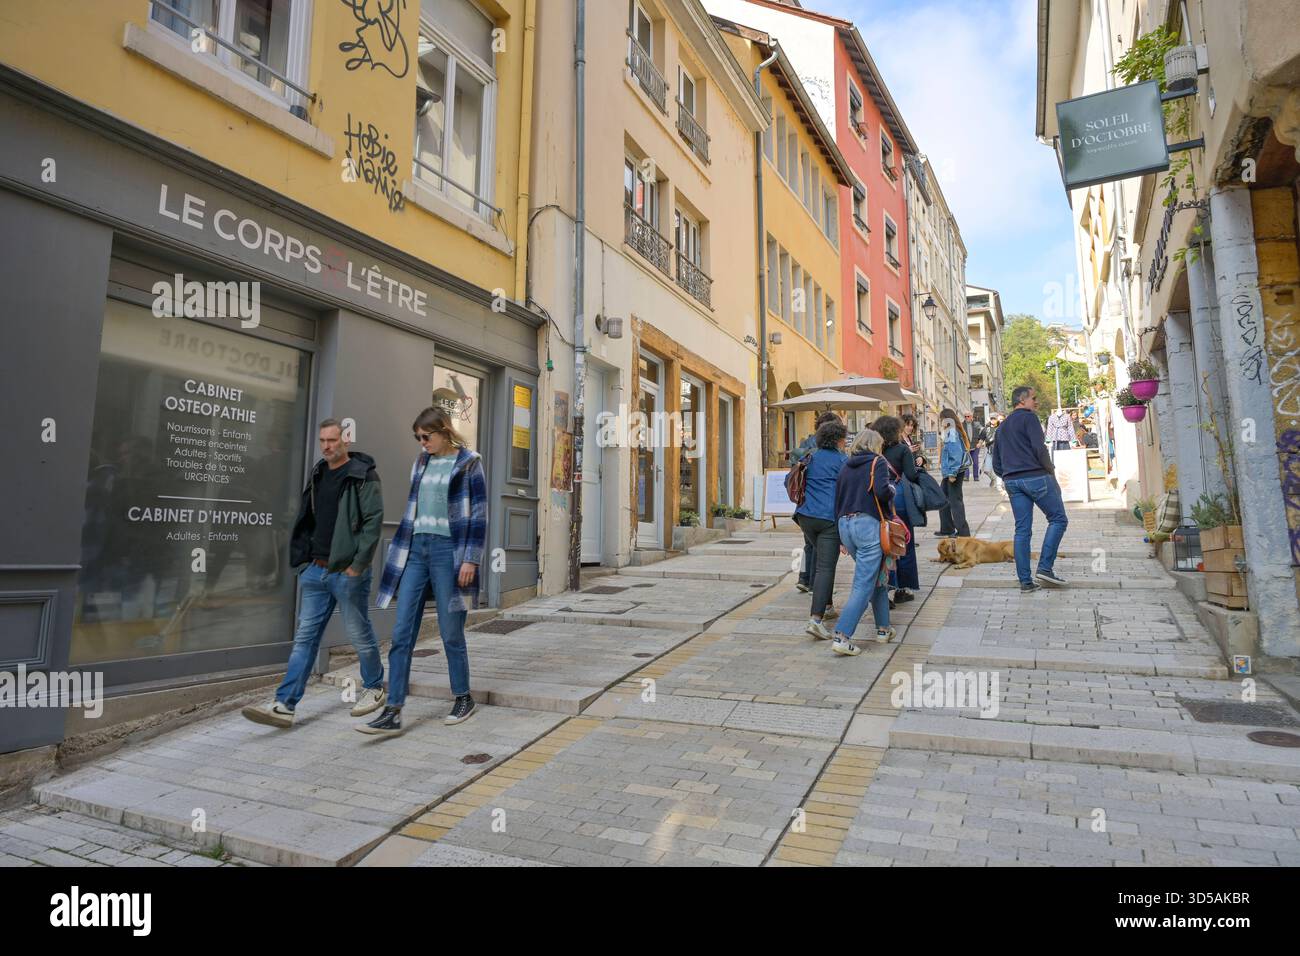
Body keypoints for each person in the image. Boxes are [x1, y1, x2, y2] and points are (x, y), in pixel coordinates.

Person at [243, 419, 386, 729]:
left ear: (344, 441)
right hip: (315, 572)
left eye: (332, 440)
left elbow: (373, 522)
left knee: (359, 633)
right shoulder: (319, 472)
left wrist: (356, 566)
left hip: (346, 573)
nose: (326, 446)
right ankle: (285, 705)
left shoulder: (363, 475)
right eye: (322, 440)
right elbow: (308, 519)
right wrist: (305, 561)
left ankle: (374, 688)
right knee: (305, 639)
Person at [365, 407, 489, 735]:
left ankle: (463, 697)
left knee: (450, 632)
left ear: (444, 431)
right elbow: (412, 509)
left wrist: (471, 559)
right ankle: (393, 709)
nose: (422, 443)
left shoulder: (469, 462)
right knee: (402, 631)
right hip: (416, 550)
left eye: (426, 436)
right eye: (418, 438)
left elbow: (478, 515)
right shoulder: (421, 462)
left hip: (450, 551)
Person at [990, 386, 1069, 593]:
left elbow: (996, 461)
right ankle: (1045, 568)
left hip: (1012, 481)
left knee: (1022, 530)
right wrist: (1050, 471)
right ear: (1022, 401)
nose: (1036, 402)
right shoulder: (1029, 418)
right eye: (1034, 398)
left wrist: (1007, 475)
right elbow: (1039, 447)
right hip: (1036, 476)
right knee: (1058, 519)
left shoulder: (1002, 426)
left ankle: (1025, 581)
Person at [830, 427, 896, 655]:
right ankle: (842, 635)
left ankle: (883, 629)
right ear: (875, 445)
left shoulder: (845, 465)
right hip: (867, 525)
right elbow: (881, 491)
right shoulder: (877, 462)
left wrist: (841, 538)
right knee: (863, 584)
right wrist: (892, 490)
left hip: (845, 526)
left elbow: (837, 500)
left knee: (874, 575)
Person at [795, 420, 847, 640]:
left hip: (806, 517)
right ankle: (815, 620)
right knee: (825, 567)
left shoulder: (810, 456)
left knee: (821, 561)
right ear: (838, 439)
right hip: (828, 519)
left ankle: (827, 606)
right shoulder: (842, 460)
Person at [795, 411, 843, 592]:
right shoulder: (835, 455)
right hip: (825, 510)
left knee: (810, 544)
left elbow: (792, 479)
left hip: (806, 508)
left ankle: (804, 578)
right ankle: (817, 587)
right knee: (820, 550)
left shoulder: (806, 445)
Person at [875, 416, 919, 606]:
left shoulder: (875, 450)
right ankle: (903, 588)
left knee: (885, 545)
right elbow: (911, 475)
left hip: (879, 499)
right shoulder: (902, 449)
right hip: (899, 497)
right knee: (904, 543)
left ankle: (887, 587)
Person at [938, 408, 971, 538]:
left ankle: (963, 532)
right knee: (943, 498)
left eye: (941, 419)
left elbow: (956, 454)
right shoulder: (952, 430)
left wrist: (952, 473)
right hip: (951, 471)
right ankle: (947, 528)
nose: (941, 422)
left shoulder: (951, 432)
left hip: (954, 472)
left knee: (955, 501)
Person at [963, 412, 987, 481]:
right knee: (966, 462)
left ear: (971, 417)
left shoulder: (977, 424)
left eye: (968, 416)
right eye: (965, 416)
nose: (966, 418)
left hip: (975, 446)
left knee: (975, 462)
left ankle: (976, 476)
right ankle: (966, 477)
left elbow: (984, 432)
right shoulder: (961, 425)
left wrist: (980, 442)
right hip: (966, 447)